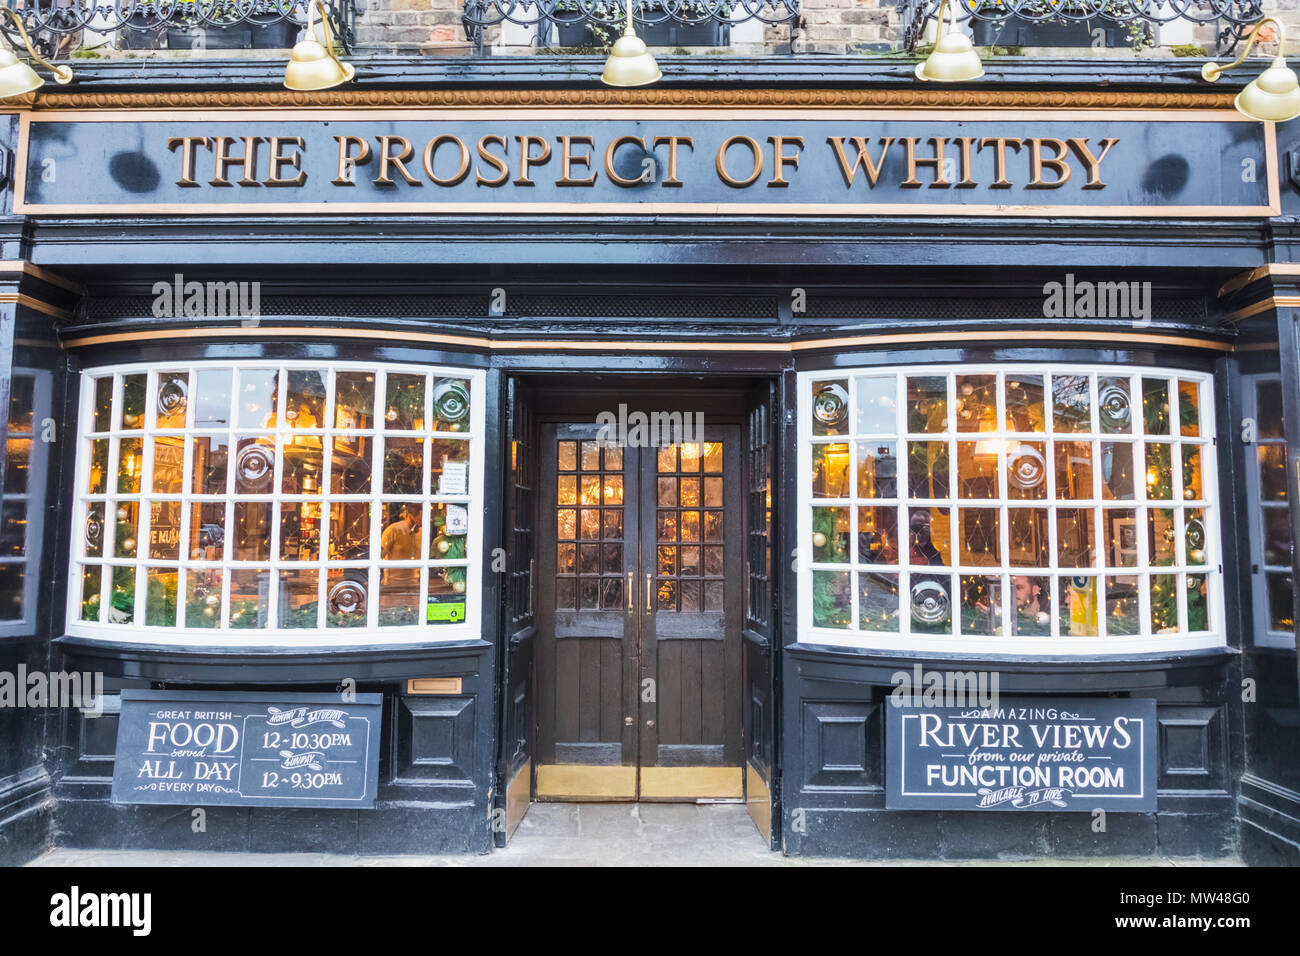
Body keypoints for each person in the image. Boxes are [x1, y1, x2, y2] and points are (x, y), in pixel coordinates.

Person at [380, 504, 422, 593]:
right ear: (411, 516)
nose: (423, 521)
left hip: (416, 585)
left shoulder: (422, 533)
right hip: (393, 585)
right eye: (421, 518)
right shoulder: (394, 530)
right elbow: (380, 555)